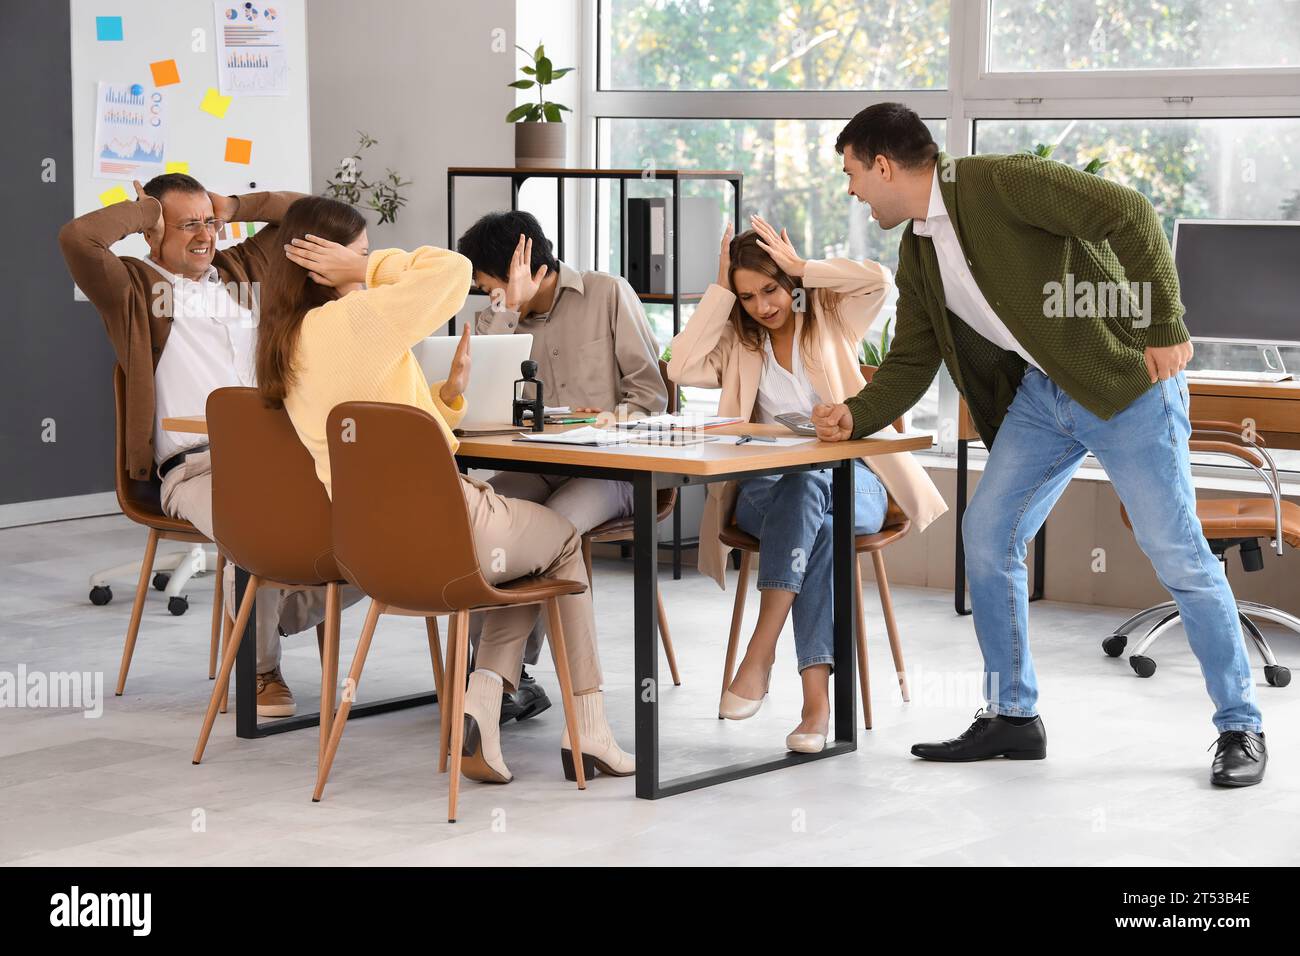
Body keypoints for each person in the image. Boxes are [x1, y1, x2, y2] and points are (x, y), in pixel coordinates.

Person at [811, 102, 1267, 786]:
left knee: (1176, 552)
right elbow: (911, 358)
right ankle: (1013, 717)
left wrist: (1164, 323)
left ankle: (1240, 726)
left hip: (1126, 389)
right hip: (1043, 400)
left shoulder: (1000, 182)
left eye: (851, 174)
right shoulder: (919, 250)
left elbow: (1132, 214)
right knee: (989, 534)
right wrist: (855, 415)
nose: (850, 190)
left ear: (882, 164)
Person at [257, 195, 634, 785]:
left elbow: (387, 429)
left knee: (521, 554)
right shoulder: (358, 318)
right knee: (562, 543)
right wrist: (367, 271)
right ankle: (581, 728)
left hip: (373, 548)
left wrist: (450, 394)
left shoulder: (288, 339)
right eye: (357, 255)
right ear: (325, 264)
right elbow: (453, 272)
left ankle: (486, 697)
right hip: (447, 524)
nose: (367, 266)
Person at [58, 173, 338, 717]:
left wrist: (231, 206)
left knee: (368, 522)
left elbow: (309, 215)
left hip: (282, 457)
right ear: (153, 233)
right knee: (253, 529)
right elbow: (77, 238)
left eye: (208, 222)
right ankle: (260, 671)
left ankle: (268, 609)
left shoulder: (238, 272)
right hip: (197, 469)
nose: (204, 235)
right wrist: (142, 212)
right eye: (187, 225)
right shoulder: (131, 287)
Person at [668, 214, 947, 752]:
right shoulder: (739, 340)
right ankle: (816, 708)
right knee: (815, 517)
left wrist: (804, 269)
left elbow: (879, 281)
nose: (762, 306)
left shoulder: (829, 314)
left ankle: (762, 650)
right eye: (747, 296)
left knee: (814, 488)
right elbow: (681, 366)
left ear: (790, 282)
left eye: (771, 289)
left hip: (855, 481)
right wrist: (721, 289)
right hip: (765, 491)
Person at [457, 210, 669, 722]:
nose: (487, 296)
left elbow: (651, 397)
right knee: (487, 522)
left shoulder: (607, 293)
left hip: (613, 470)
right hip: (538, 465)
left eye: (488, 283)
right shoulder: (499, 317)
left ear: (519, 262)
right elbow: (476, 399)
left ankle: (492, 682)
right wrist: (509, 307)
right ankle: (508, 681)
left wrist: (608, 420)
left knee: (547, 533)